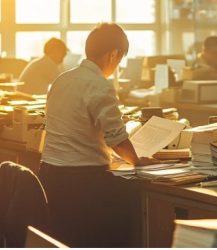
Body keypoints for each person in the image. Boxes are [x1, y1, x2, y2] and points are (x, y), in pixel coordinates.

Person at [38, 23, 157, 247]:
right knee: (128, 213)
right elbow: (117, 140)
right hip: (83, 184)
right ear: (114, 54)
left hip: (50, 178)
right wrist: (138, 162)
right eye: (120, 58)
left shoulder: (61, 80)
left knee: (63, 240)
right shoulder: (99, 85)